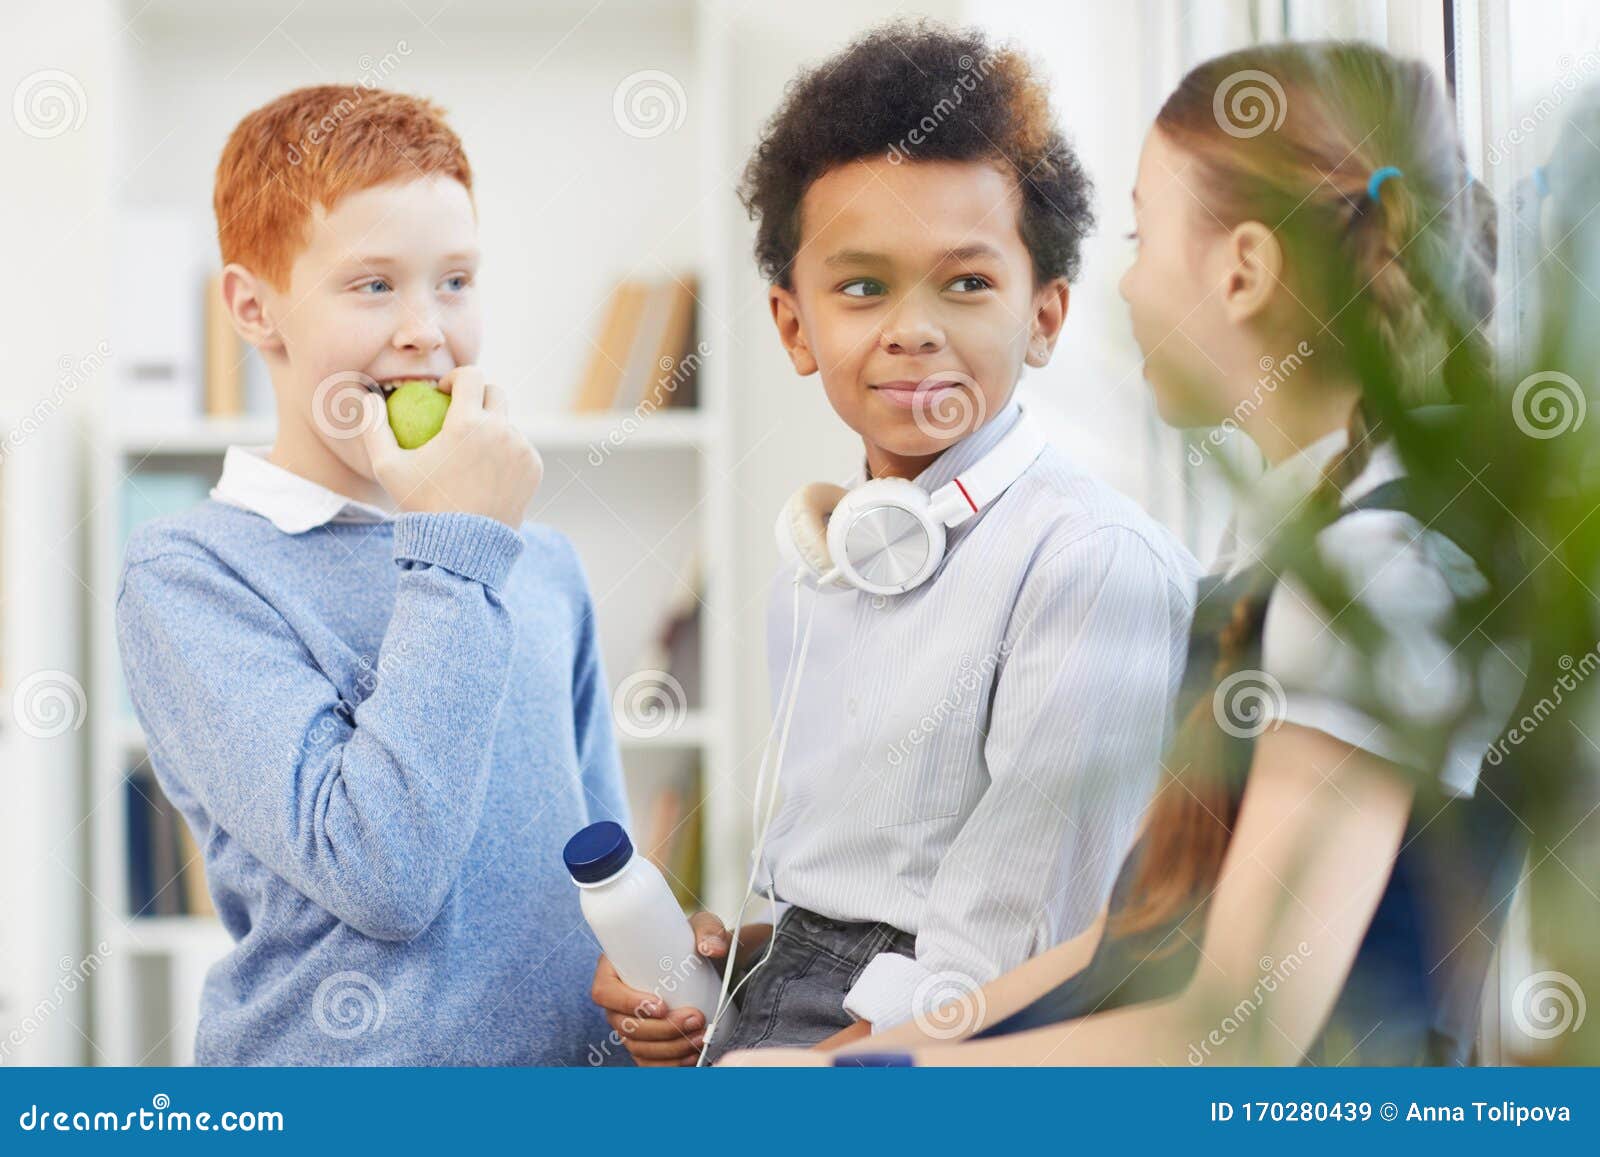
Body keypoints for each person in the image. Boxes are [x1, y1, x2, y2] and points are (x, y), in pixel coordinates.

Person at [724, 38, 1524, 1068]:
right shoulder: (1300, 554)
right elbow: (1130, 940)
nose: (1129, 287)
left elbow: (1240, 1029)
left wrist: (872, 1077)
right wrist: (843, 1067)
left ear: (1242, 271)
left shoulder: (1374, 572)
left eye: (1144, 238)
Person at [589, 21, 1198, 1065]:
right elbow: (851, 890)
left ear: (1044, 314)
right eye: (862, 286)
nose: (912, 328)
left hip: (945, 1036)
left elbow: (1009, 939)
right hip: (799, 1000)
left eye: (965, 283)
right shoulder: (820, 565)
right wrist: (724, 966)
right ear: (793, 326)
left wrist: (801, 1069)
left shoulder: (1090, 563)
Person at [115, 86, 628, 1064]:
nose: (426, 331)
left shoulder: (538, 557)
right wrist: (454, 536)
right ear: (254, 307)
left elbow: (603, 866)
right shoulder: (191, 573)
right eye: (373, 285)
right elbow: (384, 872)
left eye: (457, 281)